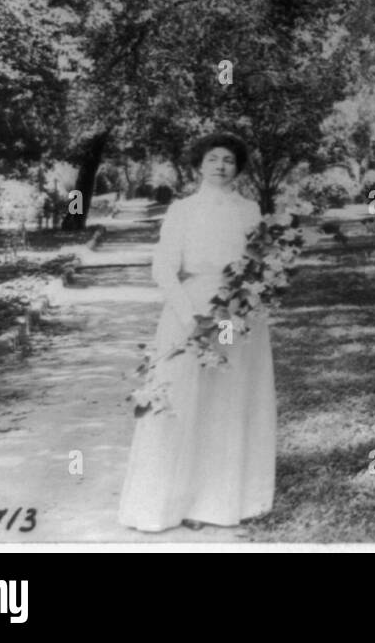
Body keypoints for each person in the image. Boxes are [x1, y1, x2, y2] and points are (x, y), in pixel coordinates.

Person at [118, 132, 275, 532]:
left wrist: (242, 307)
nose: (221, 165)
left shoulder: (249, 209)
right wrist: (190, 318)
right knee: (186, 397)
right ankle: (172, 501)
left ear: (237, 167)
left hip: (236, 314)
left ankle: (221, 500)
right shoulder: (183, 210)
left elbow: (259, 264)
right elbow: (164, 269)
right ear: (198, 165)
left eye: (228, 159)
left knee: (228, 396)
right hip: (192, 308)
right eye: (213, 158)